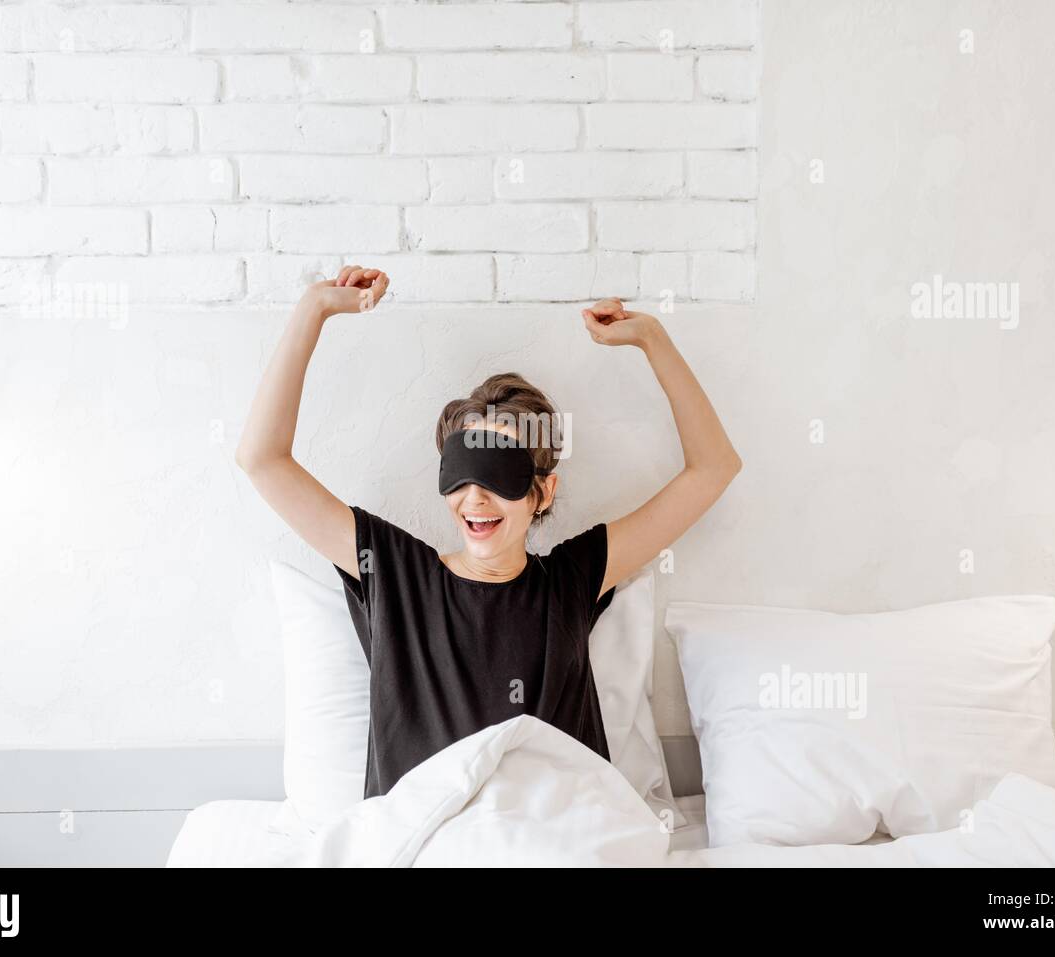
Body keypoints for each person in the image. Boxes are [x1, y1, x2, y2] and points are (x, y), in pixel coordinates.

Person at [236, 266, 742, 798]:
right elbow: (262, 459)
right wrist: (314, 309)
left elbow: (714, 467)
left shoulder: (571, 579)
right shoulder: (392, 571)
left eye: (499, 475)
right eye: (460, 474)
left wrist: (651, 337)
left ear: (542, 493)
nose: (474, 497)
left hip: (553, 839)